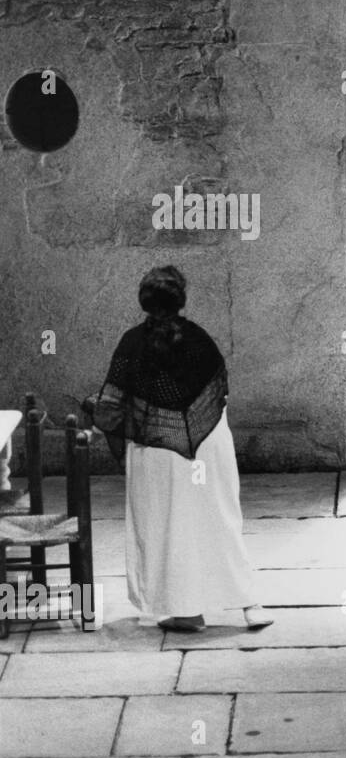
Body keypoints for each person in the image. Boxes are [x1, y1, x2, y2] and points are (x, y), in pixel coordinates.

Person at [87, 266, 272, 633]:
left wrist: (92, 415)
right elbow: (220, 392)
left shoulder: (131, 343)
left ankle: (187, 611)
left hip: (155, 451)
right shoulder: (200, 339)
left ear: (143, 301)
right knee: (219, 518)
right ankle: (250, 604)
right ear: (181, 299)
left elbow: (111, 405)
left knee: (166, 527)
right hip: (209, 442)